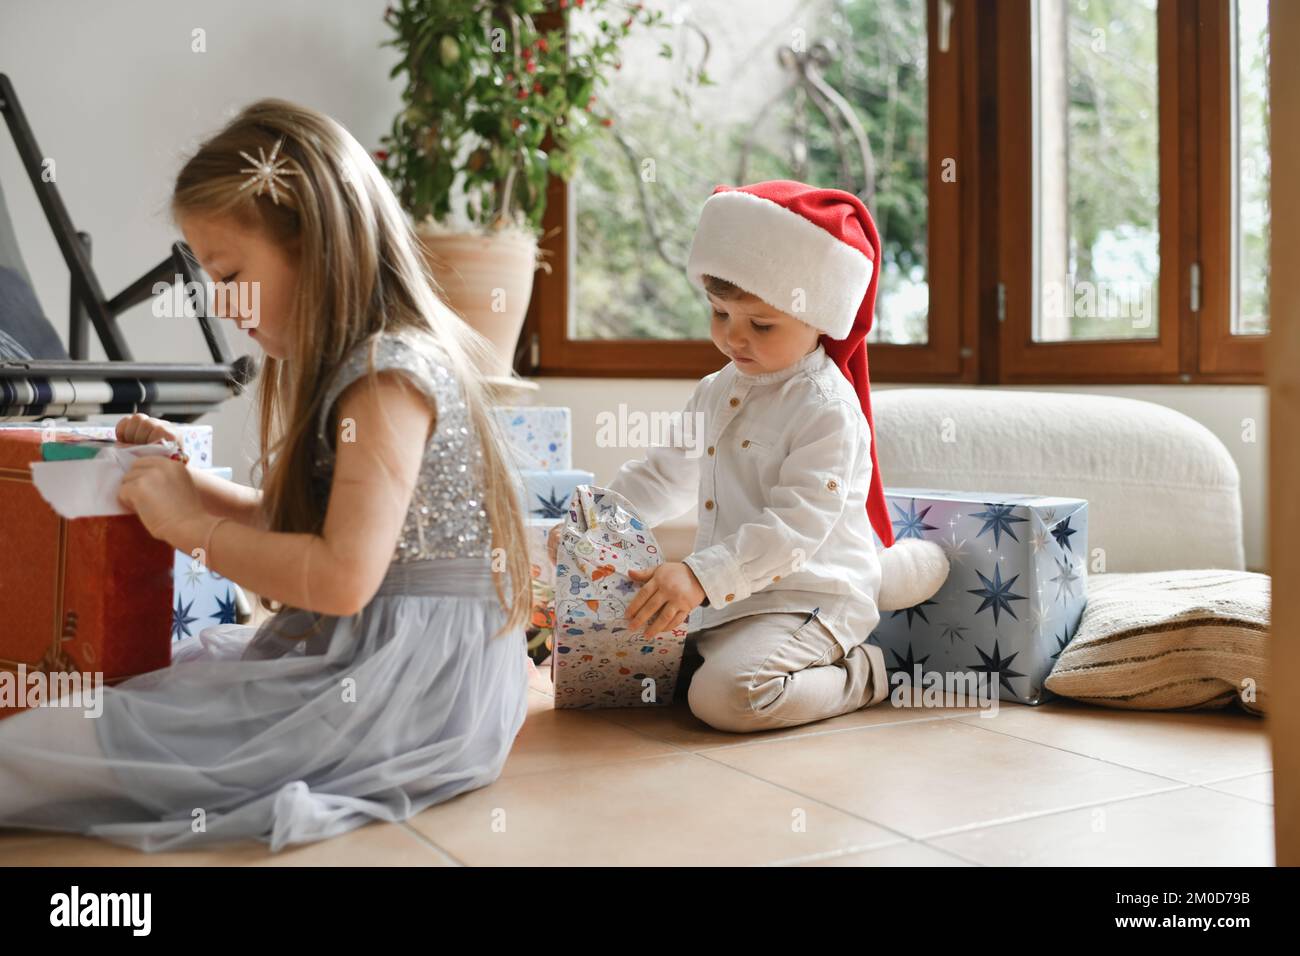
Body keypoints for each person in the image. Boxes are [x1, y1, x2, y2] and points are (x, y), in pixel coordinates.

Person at [0, 99, 532, 852]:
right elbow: (309, 534)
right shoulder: (368, 364)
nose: (222, 303)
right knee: (110, 703)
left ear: (313, 243)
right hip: (383, 662)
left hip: (402, 689)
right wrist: (188, 490)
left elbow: (341, 576)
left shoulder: (388, 375)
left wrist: (192, 530)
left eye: (230, 273)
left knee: (58, 741)